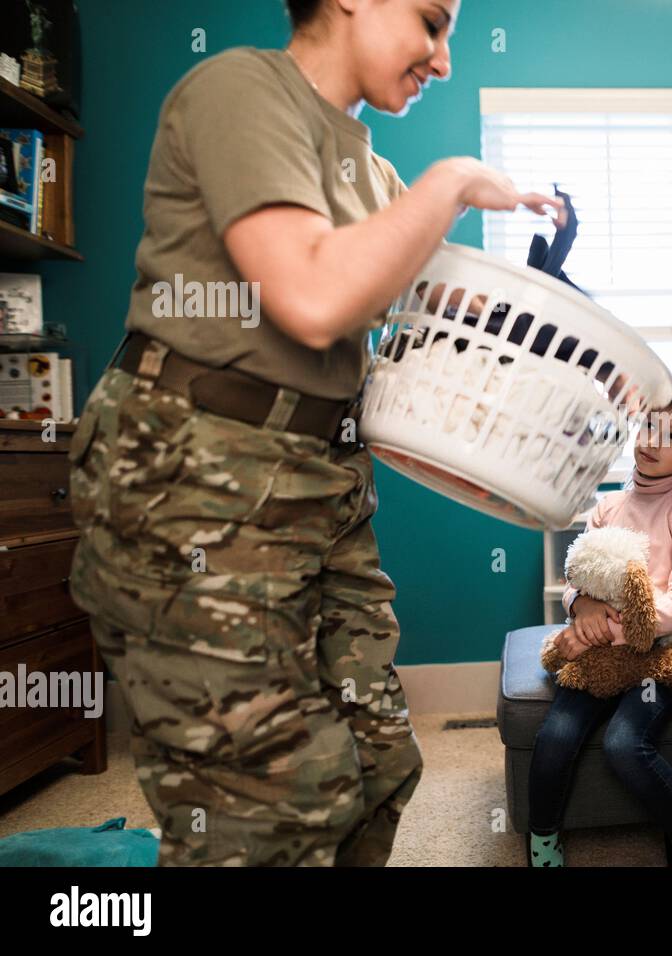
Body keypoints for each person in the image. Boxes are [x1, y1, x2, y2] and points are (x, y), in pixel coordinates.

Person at [65, 0, 564, 866]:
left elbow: (439, 306)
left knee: (378, 762)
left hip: (322, 487)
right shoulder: (239, 92)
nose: (442, 59)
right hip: (195, 482)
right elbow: (314, 296)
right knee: (270, 803)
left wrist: (556, 318)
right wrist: (450, 183)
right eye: (431, 21)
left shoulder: (370, 169)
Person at [527, 381, 672, 867]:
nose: (652, 440)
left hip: (660, 654)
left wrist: (611, 628)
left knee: (623, 743)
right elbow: (577, 572)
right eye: (649, 425)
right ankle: (541, 839)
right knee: (555, 735)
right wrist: (580, 609)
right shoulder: (610, 506)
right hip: (600, 653)